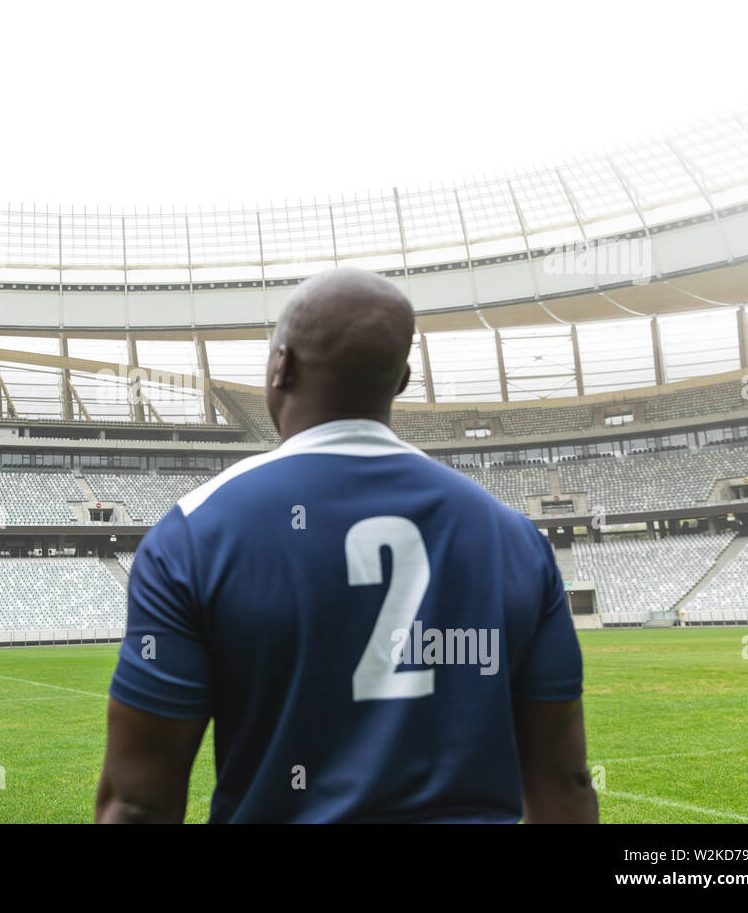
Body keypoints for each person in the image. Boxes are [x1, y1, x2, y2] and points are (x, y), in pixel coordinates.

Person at [95, 266, 596, 824]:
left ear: (281, 366)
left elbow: (139, 803)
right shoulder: (512, 536)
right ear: (402, 379)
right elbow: (564, 782)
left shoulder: (195, 531)